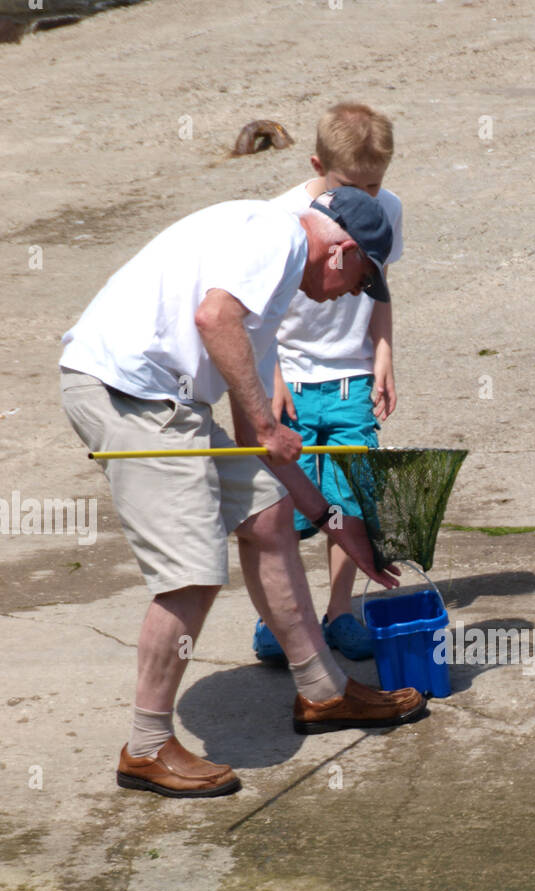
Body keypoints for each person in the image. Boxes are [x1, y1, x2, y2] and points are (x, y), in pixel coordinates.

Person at [60, 190, 425, 799]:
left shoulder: (268, 271)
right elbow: (213, 322)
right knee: (192, 574)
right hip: (128, 393)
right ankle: (145, 748)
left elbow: (256, 429)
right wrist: (271, 427)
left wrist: (334, 519)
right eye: (360, 281)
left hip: (165, 399)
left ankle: (323, 692)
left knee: (269, 514)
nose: (348, 297)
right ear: (342, 252)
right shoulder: (275, 238)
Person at [253, 102, 403, 665]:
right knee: (285, 504)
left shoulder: (386, 207)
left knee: (353, 497)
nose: (366, 196)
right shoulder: (281, 215)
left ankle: (340, 609)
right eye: (352, 185)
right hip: (288, 374)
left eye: (376, 183)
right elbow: (260, 310)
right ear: (318, 163)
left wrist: (383, 351)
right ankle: (281, 616)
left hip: (350, 377)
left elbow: (380, 279)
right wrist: (270, 373)